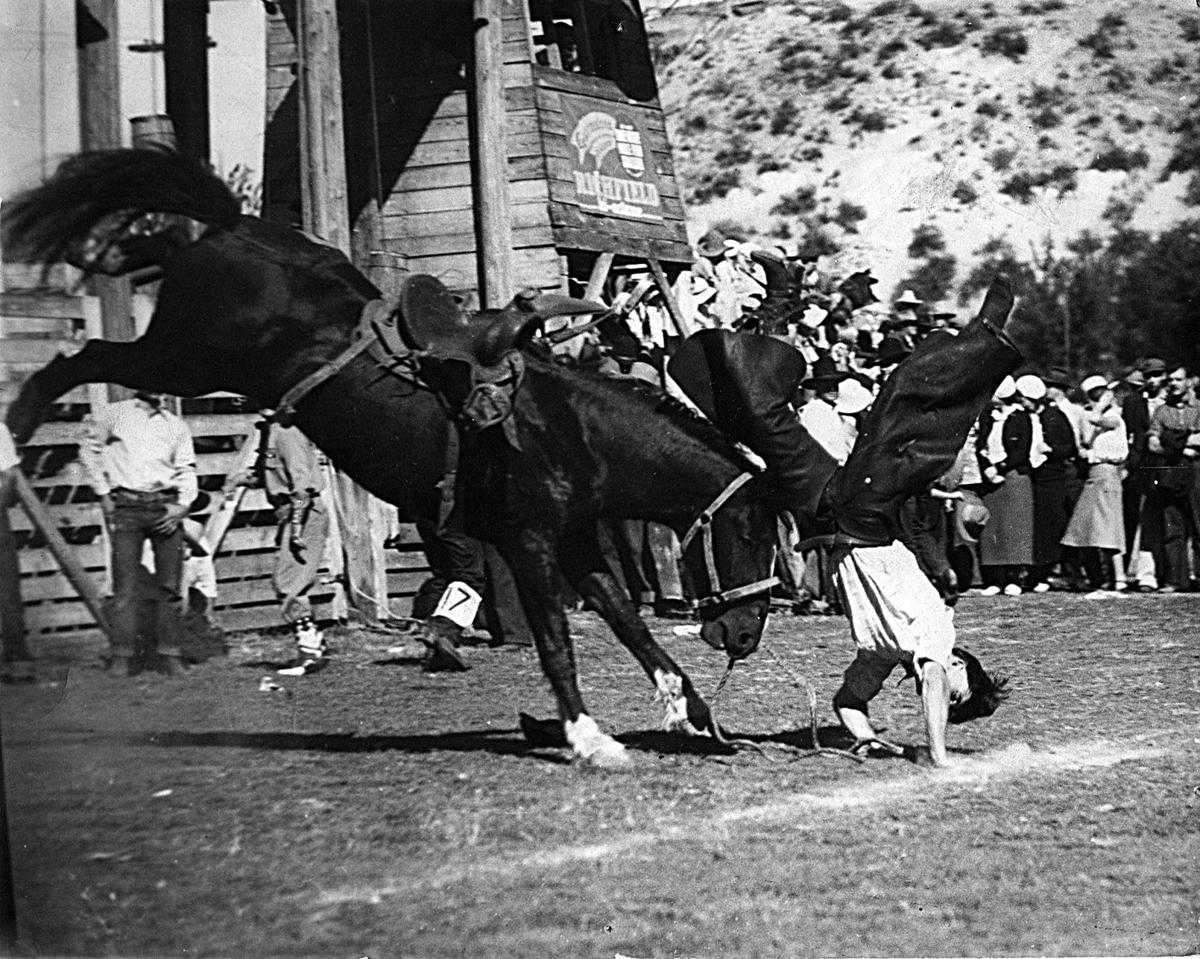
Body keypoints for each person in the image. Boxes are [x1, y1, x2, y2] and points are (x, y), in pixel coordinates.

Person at [80, 391, 197, 676]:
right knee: (125, 585)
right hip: (127, 507)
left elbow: (186, 467)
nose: (156, 387)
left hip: (164, 508)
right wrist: (104, 493)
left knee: (170, 585)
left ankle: (170, 653)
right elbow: (88, 449)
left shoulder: (175, 424)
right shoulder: (114, 414)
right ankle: (122, 654)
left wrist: (182, 506)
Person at [1061, 376, 1128, 594]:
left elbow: (1095, 419)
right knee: (1095, 528)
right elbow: (1088, 443)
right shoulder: (1100, 419)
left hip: (1107, 474)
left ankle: (1120, 579)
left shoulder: (1113, 417)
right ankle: (1108, 577)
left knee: (1110, 527)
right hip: (1095, 475)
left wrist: (1102, 402)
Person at [1145, 366, 1200, 592]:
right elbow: (1153, 444)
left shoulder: (1198, 409)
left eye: (1179, 379)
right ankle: (1175, 580)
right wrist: (1183, 445)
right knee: (1172, 525)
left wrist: (1171, 441)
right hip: (1171, 471)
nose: (1174, 384)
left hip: (1196, 472)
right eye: (1171, 380)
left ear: (1189, 381)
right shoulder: (1161, 411)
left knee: (1198, 523)